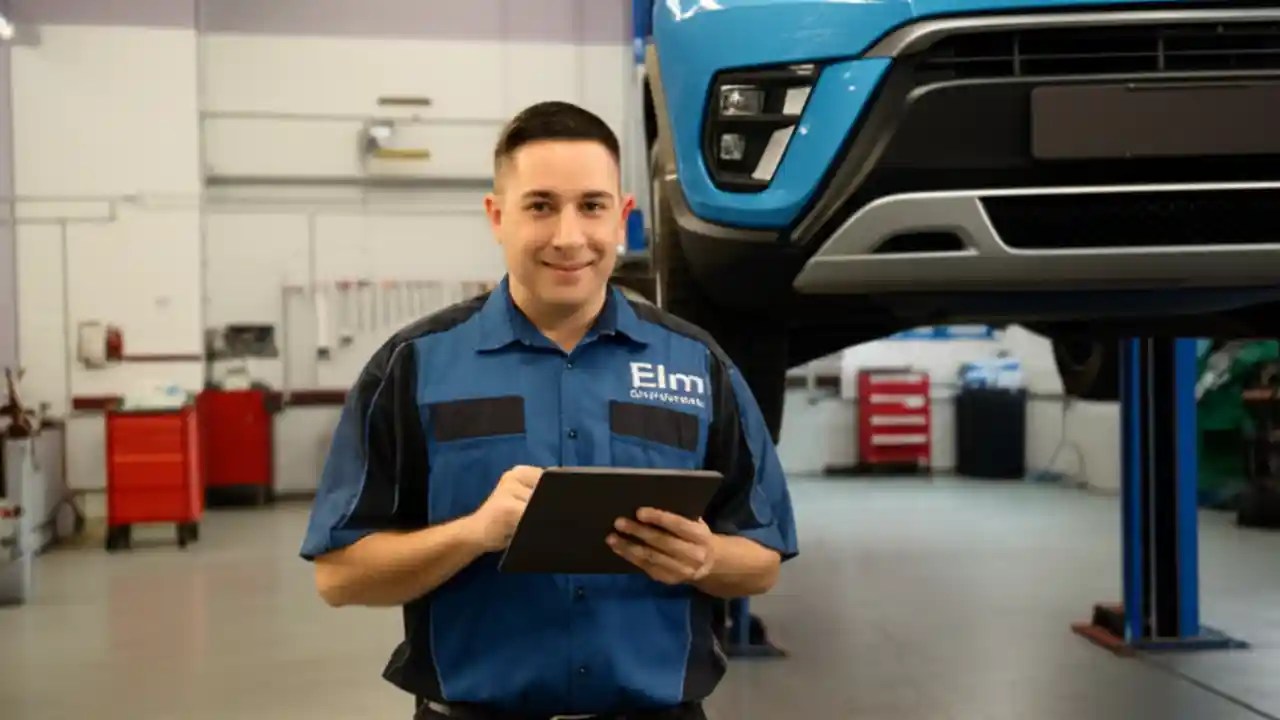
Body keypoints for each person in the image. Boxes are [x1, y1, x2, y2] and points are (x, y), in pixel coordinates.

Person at [299, 100, 799, 720]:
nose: (569, 237)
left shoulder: (698, 366)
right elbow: (339, 576)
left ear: (622, 219)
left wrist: (707, 559)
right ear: (497, 216)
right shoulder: (413, 367)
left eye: (591, 206)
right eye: (540, 206)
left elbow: (762, 559)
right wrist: (473, 534)